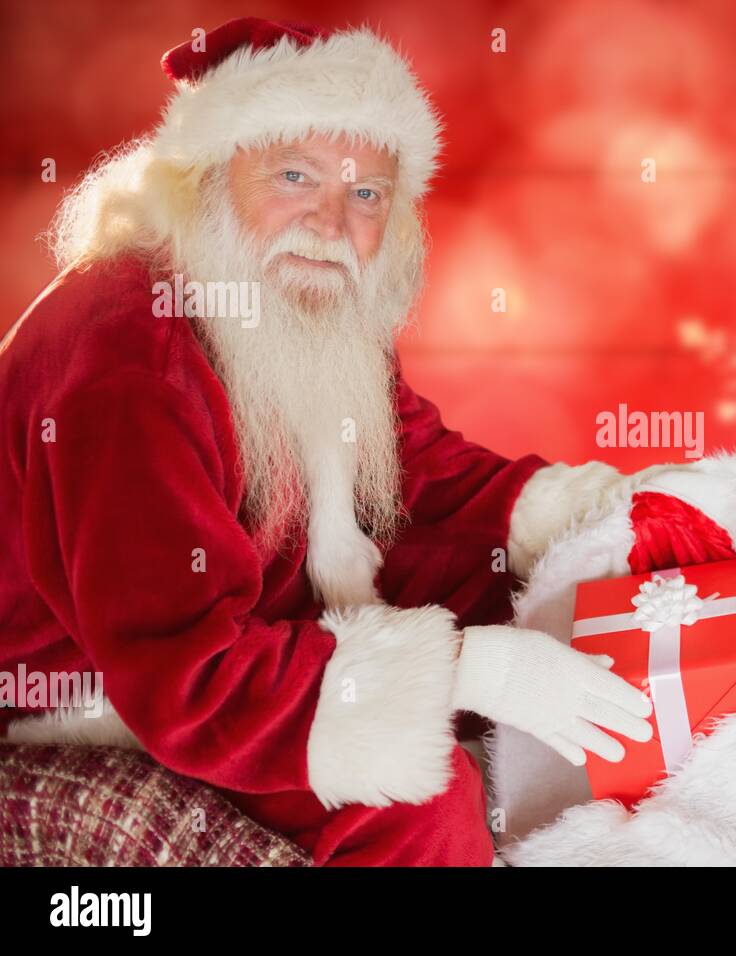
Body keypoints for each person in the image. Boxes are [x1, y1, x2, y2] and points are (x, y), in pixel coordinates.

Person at [0, 17, 686, 866]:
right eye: (296, 176)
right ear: (204, 180)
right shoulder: (127, 356)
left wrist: (610, 514)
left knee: (569, 612)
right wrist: (468, 671)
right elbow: (186, 678)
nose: (331, 222)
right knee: (421, 799)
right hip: (90, 698)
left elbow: (415, 470)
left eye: (367, 194)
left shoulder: (291, 303)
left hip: (260, 632)